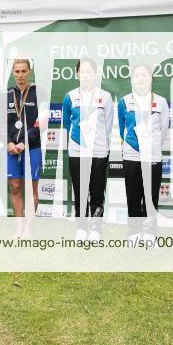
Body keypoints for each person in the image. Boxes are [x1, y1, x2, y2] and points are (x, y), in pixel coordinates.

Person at [62, 59, 114, 242]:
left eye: (89, 72)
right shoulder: (69, 97)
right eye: (82, 72)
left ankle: (96, 229)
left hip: (99, 152)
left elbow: (107, 125)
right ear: (77, 74)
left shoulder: (105, 97)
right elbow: (68, 123)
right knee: (80, 190)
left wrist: (97, 141)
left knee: (97, 192)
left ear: (95, 74)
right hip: (77, 151)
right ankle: (81, 227)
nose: (85, 75)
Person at [117, 64, 169, 243]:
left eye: (144, 75)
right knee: (133, 195)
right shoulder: (124, 102)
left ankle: (150, 233)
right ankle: (134, 232)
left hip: (153, 156)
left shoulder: (161, 102)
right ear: (132, 79)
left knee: (151, 196)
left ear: (151, 79)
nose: (140, 79)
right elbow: (122, 128)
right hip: (131, 156)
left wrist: (151, 146)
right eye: (137, 76)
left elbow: (163, 130)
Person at [6, 58, 47, 238]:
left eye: (23, 71)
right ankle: (19, 227)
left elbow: (42, 122)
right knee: (15, 187)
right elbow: (1, 122)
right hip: (11, 149)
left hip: (32, 148)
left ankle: (29, 228)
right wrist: (9, 142)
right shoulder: (6, 94)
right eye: (17, 71)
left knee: (31, 189)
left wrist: (25, 142)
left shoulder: (40, 93)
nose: (20, 75)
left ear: (29, 72)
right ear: (13, 73)